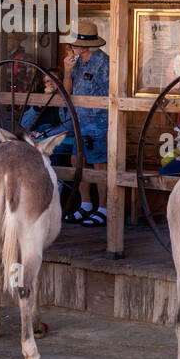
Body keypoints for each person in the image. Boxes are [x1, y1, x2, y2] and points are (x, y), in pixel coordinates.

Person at [62, 20, 109, 226]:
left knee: (100, 165)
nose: (70, 47)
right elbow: (67, 91)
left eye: (73, 44)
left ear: (84, 45)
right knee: (77, 161)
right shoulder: (76, 62)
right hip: (79, 121)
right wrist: (66, 71)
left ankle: (104, 208)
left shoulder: (104, 63)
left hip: (99, 122)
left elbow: (111, 94)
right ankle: (86, 205)